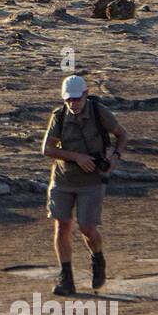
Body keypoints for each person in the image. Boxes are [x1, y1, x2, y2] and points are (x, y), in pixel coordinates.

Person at [41, 75, 129, 295]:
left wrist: (115, 156)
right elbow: (47, 149)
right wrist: (77, 157)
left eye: (76, 99)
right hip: (63, 179)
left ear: (86, 94)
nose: (73, 104)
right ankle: (66, 278)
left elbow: (122, 135)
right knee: (62, 225)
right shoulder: (59, 116)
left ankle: (97, 257)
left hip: (92, 181)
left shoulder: (99, 113)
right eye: (68, 100)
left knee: (87, 227)